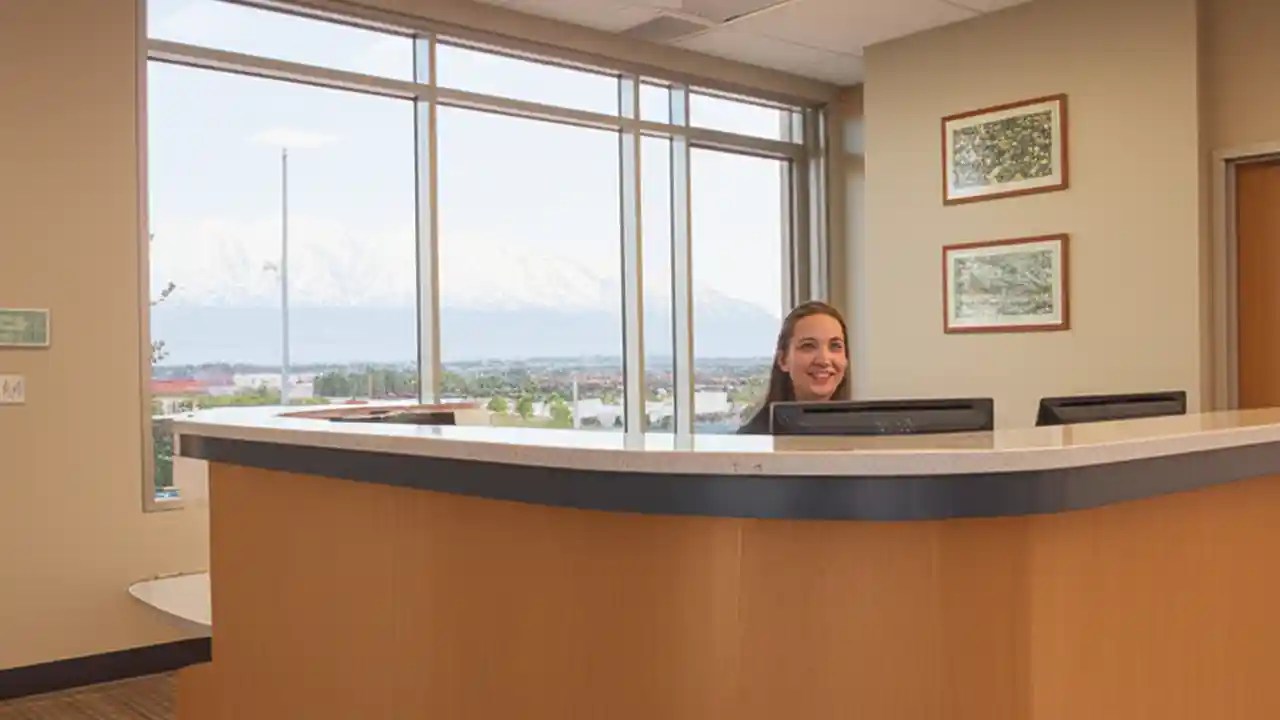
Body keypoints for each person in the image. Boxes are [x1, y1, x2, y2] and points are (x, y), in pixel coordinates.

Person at [737, 301, 851, 435]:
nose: (824, 360)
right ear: (783, 360)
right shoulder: (753, 441)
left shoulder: (864, 432)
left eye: (835, 346)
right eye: (808, 346)